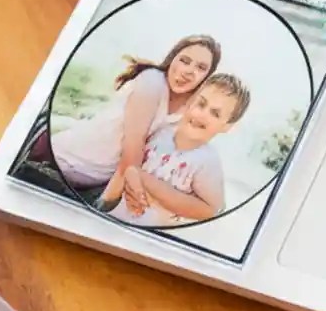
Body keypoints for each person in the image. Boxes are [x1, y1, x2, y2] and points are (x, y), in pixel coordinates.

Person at [50, 35, 221, 192]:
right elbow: (133, 147)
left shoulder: (190, 111)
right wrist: (108, 203)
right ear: (172, 59)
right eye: (184, 61)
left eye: (201, 67)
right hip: (59, 162)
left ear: (207, 77)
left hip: (98, 183)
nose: (189, 71)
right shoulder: (152, 82)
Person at [97, 73, 251, 228]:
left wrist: (145, 180)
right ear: (191, 101)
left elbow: (210, 210)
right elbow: (126, 167)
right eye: (201, 104)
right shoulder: (161, 132)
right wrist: (102, 206)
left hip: (150, 236)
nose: (201, 114)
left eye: (215, 113)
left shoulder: (207, 162)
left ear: (227, 126)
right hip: (115, 219)